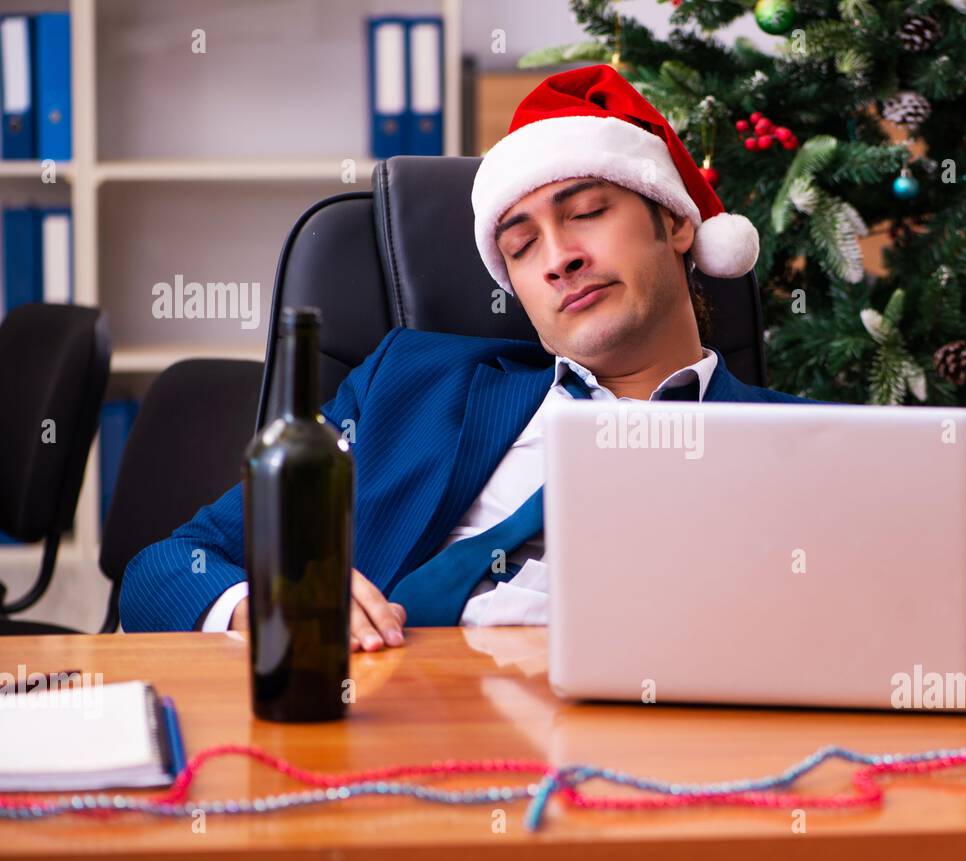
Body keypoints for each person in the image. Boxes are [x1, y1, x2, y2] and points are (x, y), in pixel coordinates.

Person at [119, 64, 814, 649]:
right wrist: (261, 603)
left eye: (587, 212)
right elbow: (165, 567)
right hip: (399, 734)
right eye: (521, 246)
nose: (559, 260)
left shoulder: (806, 445)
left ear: (676, 223)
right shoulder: (407, 385)